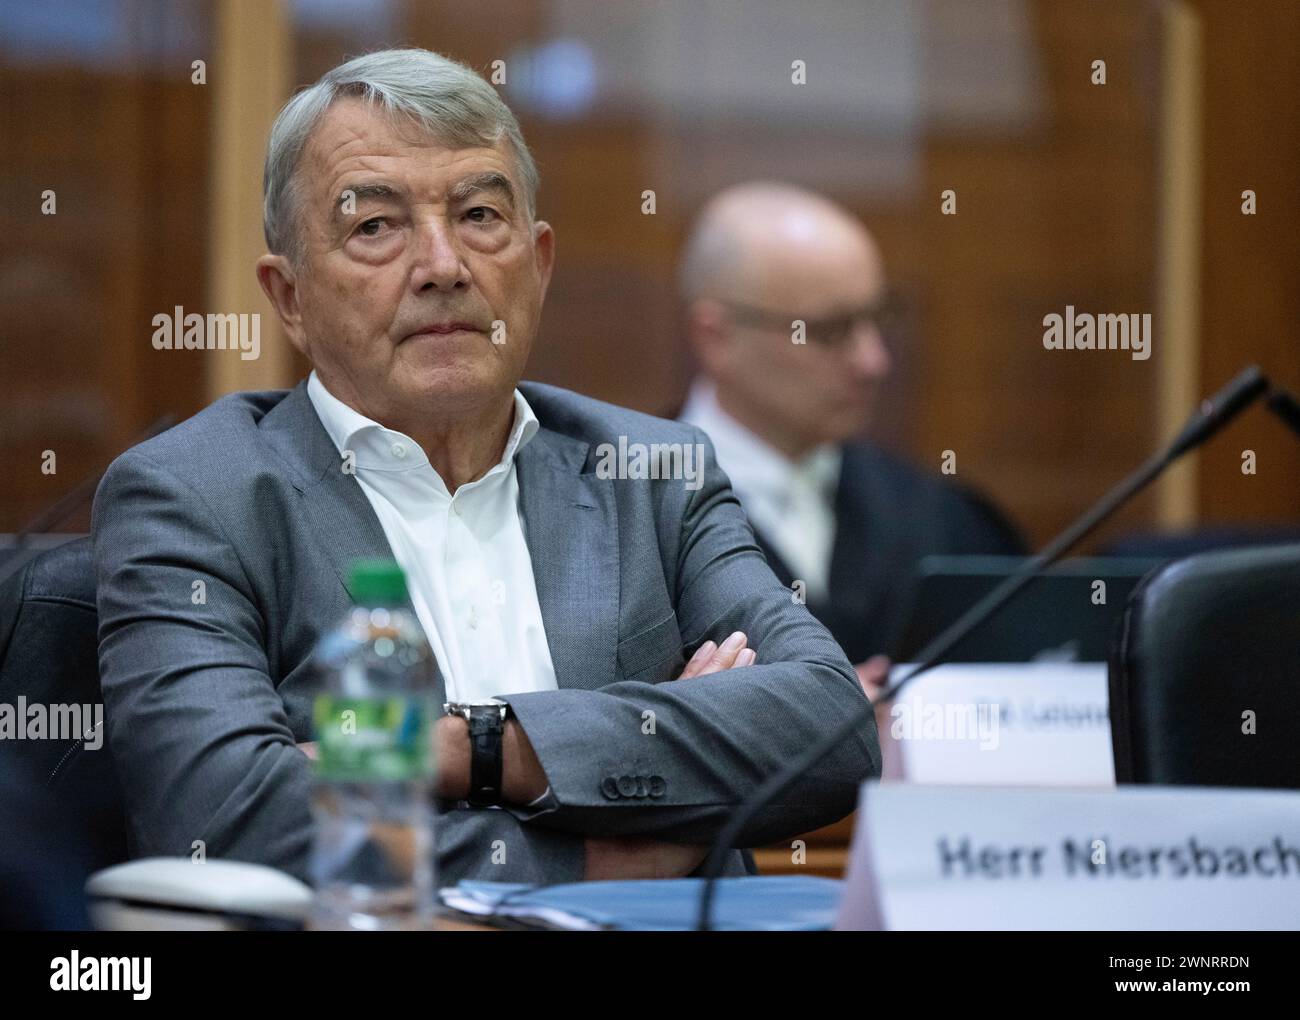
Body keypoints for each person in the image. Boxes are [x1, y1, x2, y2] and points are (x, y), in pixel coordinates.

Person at [91, 50, 879, 887]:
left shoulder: (650, 475)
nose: (442, 266)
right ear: (289, 298)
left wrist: (477, 748)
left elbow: (829, 729)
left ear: (537, 266)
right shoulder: (196, 497)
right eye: (374, 227)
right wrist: (601, 847)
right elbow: (224, 817)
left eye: (478, 215)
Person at [678, 182, 1025, 687]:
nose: (873, 361)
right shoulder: (622, 515)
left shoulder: (947, 522)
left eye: (877, 319)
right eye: (831, 330)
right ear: (716, 337)